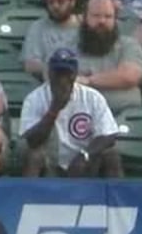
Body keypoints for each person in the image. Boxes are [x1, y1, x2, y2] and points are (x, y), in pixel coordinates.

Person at [18, 48, 124, 177]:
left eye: (67, 73)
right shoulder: (34, 98)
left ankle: (114, 197)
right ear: (49, 73)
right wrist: (54, 109)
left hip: (86, 163)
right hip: (50, 163)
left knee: (111, 155)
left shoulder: (92, 97)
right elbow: (32, 142)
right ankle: (29, 197)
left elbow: (109, 136)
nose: (63, 79)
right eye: (58, 73)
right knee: (33, 156)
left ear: (75, 74)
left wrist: (85, 155)